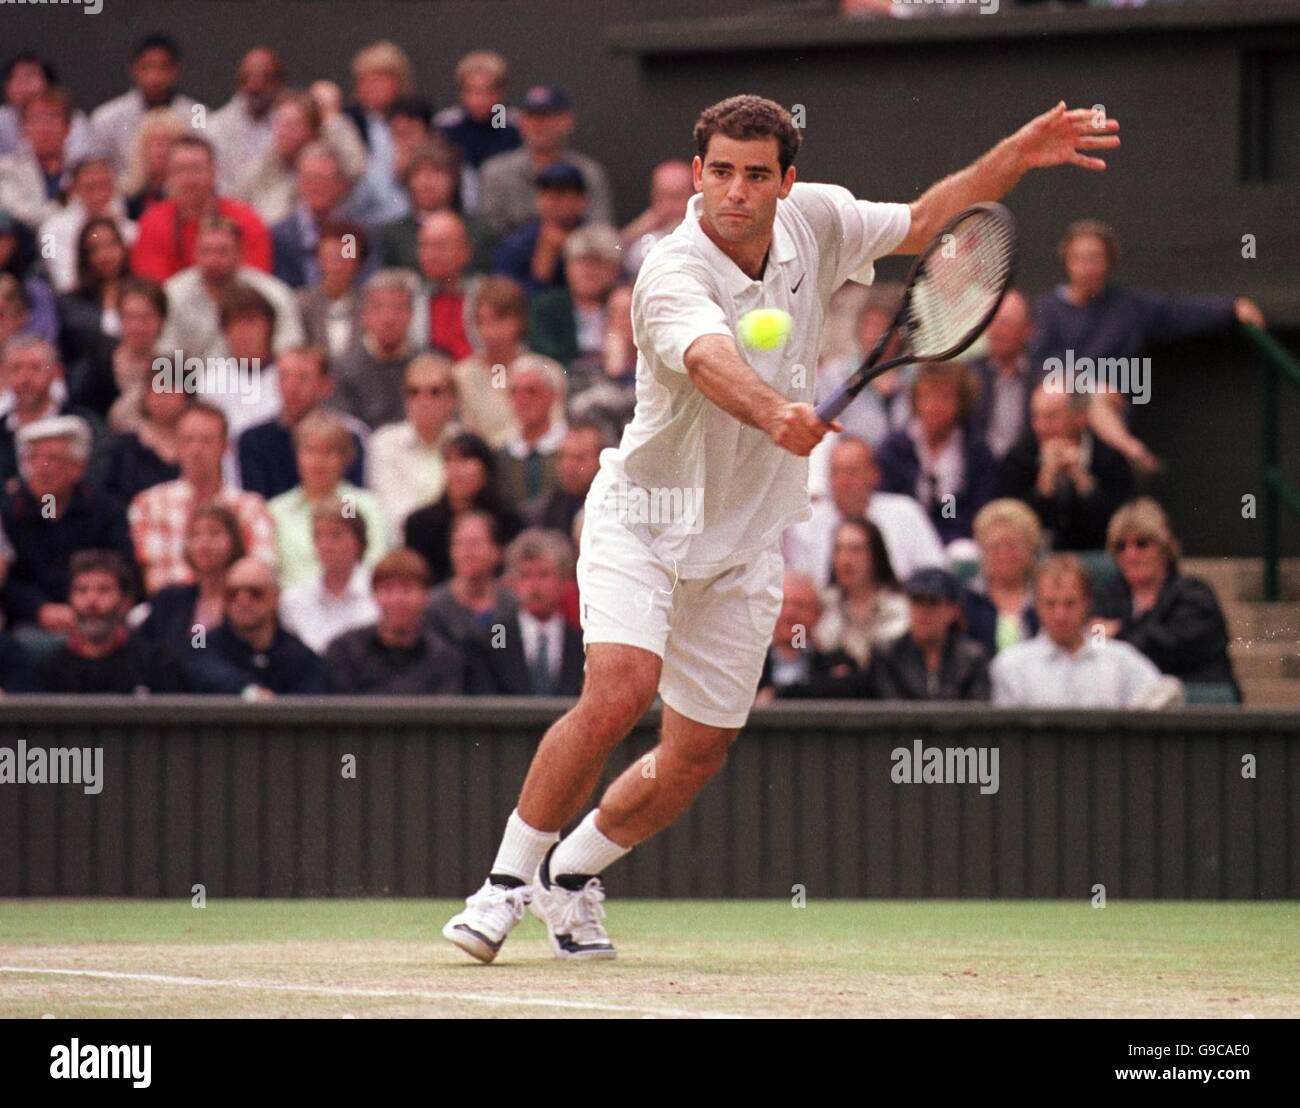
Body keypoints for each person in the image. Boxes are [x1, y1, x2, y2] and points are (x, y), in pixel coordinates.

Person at [443, 92, 1120, 962]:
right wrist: (772, 412)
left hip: (745, 542)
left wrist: (1018, 153)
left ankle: (569, 878)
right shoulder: (669, 269)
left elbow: (924, 222)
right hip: (644, 520)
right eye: (719, 171)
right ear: (696, 174)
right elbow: (707, 357)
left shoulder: (817, 219)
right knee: (619, 689)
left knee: (694, 756)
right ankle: (503, 884)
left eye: (755, 175)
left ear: (784, 181)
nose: (734, 190)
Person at [1091, 497, 1239, 695]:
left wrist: (1119, 633)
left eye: (1141, 543)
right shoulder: (1104, 596)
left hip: (1195, 704)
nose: (1130, 554)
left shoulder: (1195, 595)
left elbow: (1172, 647)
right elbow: (1094, 641)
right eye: (1120, 546)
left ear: (1164, 547)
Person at [1, 415, 134, 633]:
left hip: (99, 612)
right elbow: (9, 579)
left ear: (77, 467)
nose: (44, 468)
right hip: (29, 621)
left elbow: (121, 565)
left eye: (53, 459)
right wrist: (38, 609)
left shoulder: (104, 510)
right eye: (35, 459)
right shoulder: (10, 513)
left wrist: (88, 603)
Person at [991, 553, 1176, 708]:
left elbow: (1167, 694)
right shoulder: (1011, 665)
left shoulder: (1120, 659)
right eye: (1050, 604)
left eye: (1070, 603)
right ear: (1036, 604)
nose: (1060, 614)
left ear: (1087, 602)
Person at [128, 402, 276, 594]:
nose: (196, 450)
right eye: (188, 440)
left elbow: (260, 572)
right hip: (171, 611)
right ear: (177, 445)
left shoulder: (251, 506)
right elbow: (156, 580)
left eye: (206, 441)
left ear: (225, 447)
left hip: (233, 611)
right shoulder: (149, 503)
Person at [782, 435, 945, 588]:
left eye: (851, 472)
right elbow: (799, 586)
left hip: (898, 609)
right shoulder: (805, 521)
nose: (843, 481)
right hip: (828, 612)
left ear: (875, 475)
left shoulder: (905, 511)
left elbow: (935, 573)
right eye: (836, 472)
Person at [997, 384, 1133, 551]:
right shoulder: (1018, 457)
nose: (1040, 426)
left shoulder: (1110, 459)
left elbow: (1121, 524)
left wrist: (1084, 482)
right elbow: (1008, 523)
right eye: (1035, 416)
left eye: (1051, 416)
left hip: (1094, 555)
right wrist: (1044, 487)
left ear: (1081, 417)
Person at [268, 411, 388, 588]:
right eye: (310, 450)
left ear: (345, 458)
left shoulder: (353, 504)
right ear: (297, 456)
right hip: (291, 607)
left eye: (328, 452)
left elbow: (373, 561)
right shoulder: (277, 510)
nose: (318, 461)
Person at [36, 549, 183, 694]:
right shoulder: (51, 671)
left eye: (104, 590)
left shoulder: (155, 666)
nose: (91, 601)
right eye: (82, 590)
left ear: (126, 601)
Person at [324, 547, 467, 695]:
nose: (398, 599)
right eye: (388, 589)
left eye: (408, 589)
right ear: (375, 594)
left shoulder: (446, 658)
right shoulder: (345, 652)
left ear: (426, 594)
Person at [159, 216, 303, 362]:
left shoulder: (273, 294)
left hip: (258, 378)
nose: (213, 260)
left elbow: (289, 350)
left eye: (222, 251)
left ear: (241, 253)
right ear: (195, 253)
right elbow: (165, 352)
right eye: (206, 251)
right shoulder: (174, 293)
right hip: (188, 380)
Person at [182, 555, 330, 696]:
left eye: (255, 593)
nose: (242, 601)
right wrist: (249, 692)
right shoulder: (203, 642)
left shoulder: (299, 656)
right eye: (232, 594)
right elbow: (197, 665)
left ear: (276, 597)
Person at [130, 135, 271, 282]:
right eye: (180, 170)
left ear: (214, 173)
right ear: (169, 176)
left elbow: (255, 285)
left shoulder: (245, 220)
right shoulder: (153, 223)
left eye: (197, 169)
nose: (189, 180)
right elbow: (152, 291)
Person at [478, 85, 614, 237]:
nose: (538, 125)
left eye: (547, 116)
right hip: (513, 256)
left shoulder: (588, 172)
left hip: (574, 255)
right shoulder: (495, 172)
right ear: (521, 121)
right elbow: (489, 237)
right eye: (531, 117)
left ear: (567, 120)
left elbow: (600, 232)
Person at [237, 345, 366, 500]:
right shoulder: (253, 440)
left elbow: (352, 498)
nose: (292, 387)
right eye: (284, 377)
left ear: (326, 386)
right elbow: (254, 503)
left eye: (303, 378)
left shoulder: (349, 435)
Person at [468, 528, 584, 695]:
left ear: (564, 581)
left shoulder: (580, 643)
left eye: (543, 575)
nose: (534, 586)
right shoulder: (497, 634)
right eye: (525, 576)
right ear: (513, 582)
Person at [404, 431, 524, 585]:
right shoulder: (420, 524)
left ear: (486, 468)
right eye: (449, 461)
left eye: (464, 460)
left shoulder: (509, 521)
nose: (456, 470)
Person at [136, 502, 243, 673]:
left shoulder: (247, 599)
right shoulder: (169, 601)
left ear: (234, 541)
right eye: (195, 535)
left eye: (214, 533)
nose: (204, 543)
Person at [367, 353, 459, 540]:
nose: (423, 400)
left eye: (434, 391)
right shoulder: (384, 443)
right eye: (414, 392)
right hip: (404, 544)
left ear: (452, 400)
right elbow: (392, 511)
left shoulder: (465, 442)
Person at [0, 335, 105, 492]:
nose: (24, 378)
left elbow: (97, 480)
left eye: (35, 368)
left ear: (57, 371)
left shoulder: (83, 425)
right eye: (16, 368)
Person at [90, 34, 203, 177]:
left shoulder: (197, 114)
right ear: (134, 69)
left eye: (163, 67)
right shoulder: (106, 117)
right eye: (146, 67)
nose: (154, 76)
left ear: (176, 71)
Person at [871, 568, 990, 700]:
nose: (923, 612)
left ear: (953, 611)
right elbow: (891, 710)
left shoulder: (972, 659)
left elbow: (976, 713)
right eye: (917, 601)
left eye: (933, 603)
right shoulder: (888, 655)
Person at [279, 498, 380, 654]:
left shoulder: (378, 593)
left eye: (335, 535)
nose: (325, 545)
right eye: (318, 536)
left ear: (358, 540)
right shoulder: (293, 600)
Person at [452, 275, 537, 448]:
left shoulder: (546, 371)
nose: (490, 331)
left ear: (520, 321)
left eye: (499, 320)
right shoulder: (460, 375)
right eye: (482, 321)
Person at [528, 224, 624, 378]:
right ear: (567, 266)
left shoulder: (624, 304)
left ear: (614, 270)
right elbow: (544, 355)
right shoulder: (548, 306)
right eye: (581, 262)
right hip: (565, 384)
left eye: (598, 263)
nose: (588, 271)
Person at [813, 517, 909, 670]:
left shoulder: (900, 607)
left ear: (876, 556)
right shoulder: (820, 605)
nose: (845, 559)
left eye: (855, 550)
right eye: (839, 549)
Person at [330, 269, 418, 430]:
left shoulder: (427, 364)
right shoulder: (344, 368)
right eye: (379, 308)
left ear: (411, 314)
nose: (389, 318)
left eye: (398, 308)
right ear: (364, 315)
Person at [491, 161, 592, 295]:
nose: (553, 201)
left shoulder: (596, 240)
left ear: (582, 201)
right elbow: (505, 295)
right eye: (546, 193)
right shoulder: (517, 243)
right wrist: (542, 269)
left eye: (561, 193)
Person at [755, 569, 857, 701]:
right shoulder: (750, 664)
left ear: (818, 613)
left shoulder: (836, 663)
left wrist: (777, 696)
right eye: (783, 604)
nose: (790, 614)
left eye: (800, 605)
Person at [40, 156, 136, 295]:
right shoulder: (50, 231)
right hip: (77, 303)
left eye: (105, 185)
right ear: (73, 189)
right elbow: (64, 281)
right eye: (91, 187)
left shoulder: (132, 230)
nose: (99, 194)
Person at [961, 498, 1041, 657]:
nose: (1004, 554)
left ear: (1031, 547)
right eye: (994, 546)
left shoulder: (1049, 596)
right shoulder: (965, 600)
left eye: (1012, 545)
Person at [966, 289, 1037, 459]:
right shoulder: (966, 374)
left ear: (1028, 330)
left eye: (1006, 322)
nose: (997, 330)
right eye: (991, 321)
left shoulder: (1041, 379)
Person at [207, 47, 286, 194]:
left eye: (264, 78)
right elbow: (215, 182)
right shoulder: (215, 127)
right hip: (229, 209)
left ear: (279, 82)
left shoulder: (292, 125)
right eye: (247, 78)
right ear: (239, 83)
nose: (255, 86)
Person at [434, 50, 523, 179]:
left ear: (501, 92)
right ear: (461, 92)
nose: (480, 99)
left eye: (487, 91)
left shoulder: (516, 125)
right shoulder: (445, 125)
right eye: (473, 91)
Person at [495, 354, 568, 506]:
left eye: (531, 391)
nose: (522, 399)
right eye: (514, 392)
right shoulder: (501, 453)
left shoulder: (570, 446)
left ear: (553, 395)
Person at [0, 86, 76, 231]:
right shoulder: (5, 170)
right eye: (36, 119)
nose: (44, 127)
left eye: (52, 118)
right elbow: (23, 214)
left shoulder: (83, 170)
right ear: (23, 129)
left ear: (68, 127)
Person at [297, 220, 370, 363]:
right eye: (331, 256)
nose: (338, 266)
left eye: (345, 258)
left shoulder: (370, 303)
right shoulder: (301, 303)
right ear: (318, 259)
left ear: (358, 262)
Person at [414, 211, 476, 360]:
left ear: (465, 252)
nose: (431, 255)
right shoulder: (407, 296)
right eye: (425, 246)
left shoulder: (486, 295)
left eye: (441, 246)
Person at [619, 160, 694, 276]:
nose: (668, 206)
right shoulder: (642, 237)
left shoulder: (705, 234)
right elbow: (612, 255)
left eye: (676, 197)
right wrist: (632, 234)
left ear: (693, 195)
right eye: (660, 197)